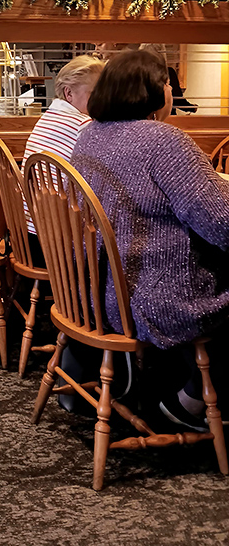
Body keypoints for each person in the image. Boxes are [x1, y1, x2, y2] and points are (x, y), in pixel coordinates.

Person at [71, 49, 229, 430]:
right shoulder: (164, 142)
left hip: (100, 291)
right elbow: (222, 224)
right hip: (154, 298)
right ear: (158, 91)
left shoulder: (90, 134)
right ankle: (189, 401)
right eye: (169, 84)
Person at [21, 55, 105, 243]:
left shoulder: (47, 118)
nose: (101, 101)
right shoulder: (83, 126)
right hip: (59, 247)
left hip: (28, 234)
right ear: (69, 93)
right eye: (94, 94)